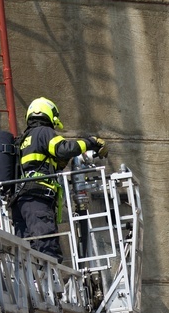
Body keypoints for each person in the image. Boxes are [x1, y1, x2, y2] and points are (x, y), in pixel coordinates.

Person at [11, 97, 107, 261]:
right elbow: (63, 149)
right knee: (47, 248)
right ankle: (51, 283)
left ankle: (35, 282)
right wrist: (90, 142)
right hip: (37, 199)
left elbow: (35, 166)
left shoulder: (22, 140)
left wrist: (57, 166)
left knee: (27, 253)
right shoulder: (43, 132)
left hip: (20, 203)